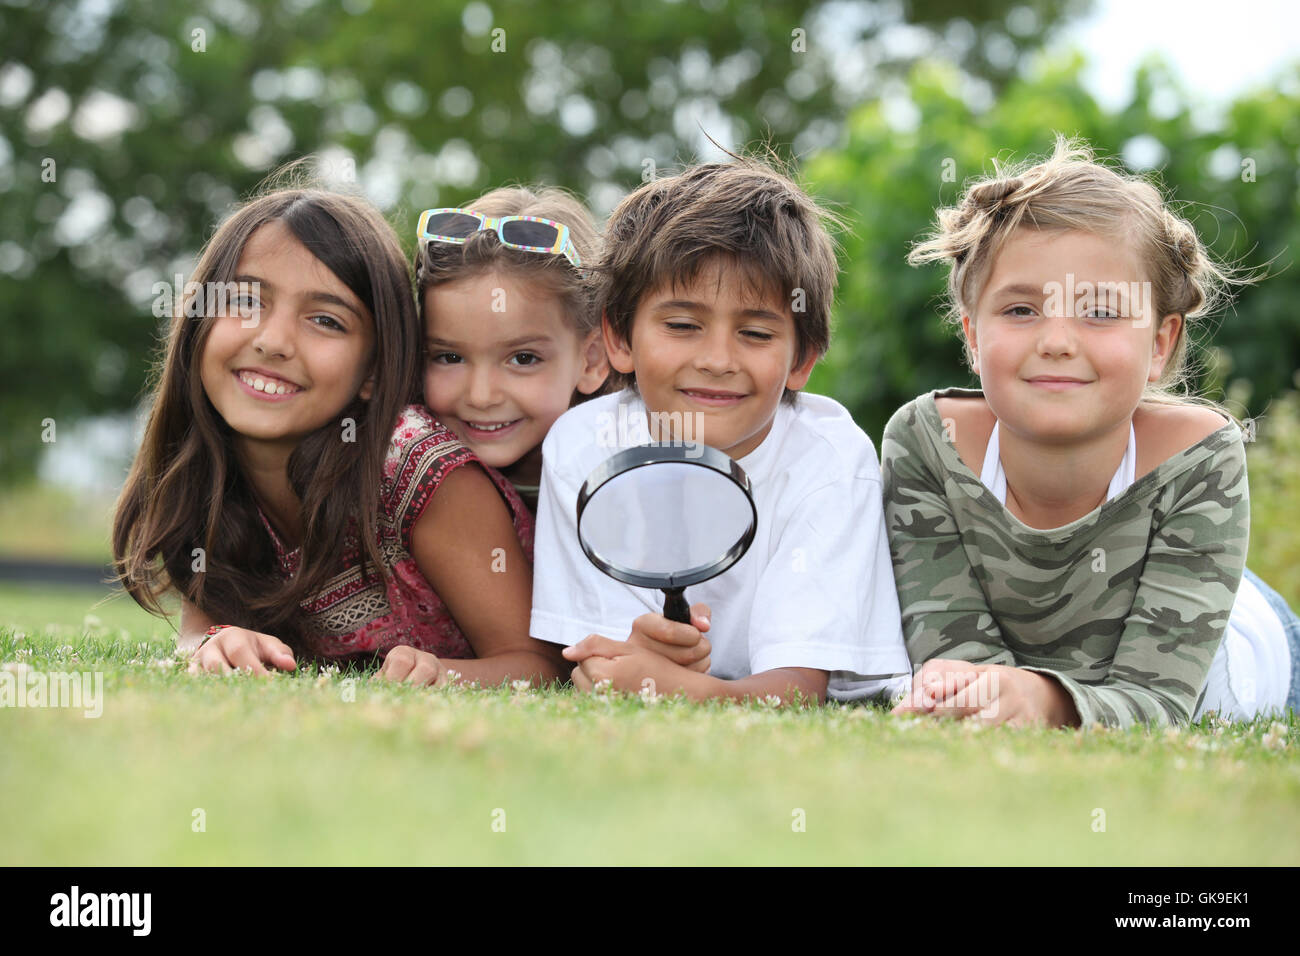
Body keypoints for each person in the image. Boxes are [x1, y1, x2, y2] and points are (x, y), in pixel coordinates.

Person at [884, 135, 1300, 728]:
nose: (1056, 341)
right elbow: (958, 659)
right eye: (1021, 310)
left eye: (1101, 312)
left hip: (1237, 653)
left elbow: (1157, 703)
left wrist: (1044, 702)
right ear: (973, 337)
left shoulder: (1199, 456)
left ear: (1159, 344)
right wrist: (983, 691)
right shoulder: (927, 443)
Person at [112, 180, 566, 688]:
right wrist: (218, 641)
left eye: (326, 320)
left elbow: (542, 666)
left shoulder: (418, 472)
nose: (273, 341)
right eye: (244, 301)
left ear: (375, 370)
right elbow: (199, 630)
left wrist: (445, 674)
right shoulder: (208, 469)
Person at [530, 156, 913, 705]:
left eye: (756, 333)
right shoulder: (583, 446)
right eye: (682, 325)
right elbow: (598, 659)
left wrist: (676, 687)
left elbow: (799, 690)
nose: (716, 359)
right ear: (618, 339)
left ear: (801, 360)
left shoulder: (830, 459)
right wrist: (641, 653)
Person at [416, 187, 609, 515]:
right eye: (450, 357)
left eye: (523, 358)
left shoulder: (629, 477)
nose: (481, 396)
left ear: (591, 360)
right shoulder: (403, 473)